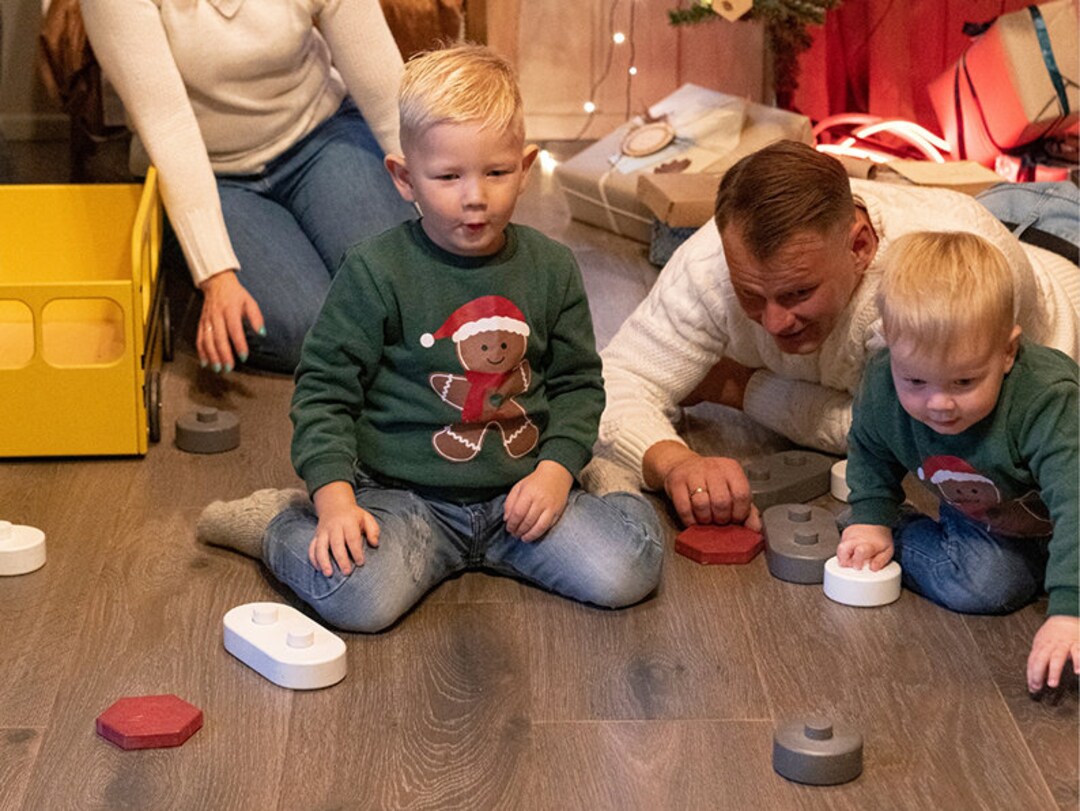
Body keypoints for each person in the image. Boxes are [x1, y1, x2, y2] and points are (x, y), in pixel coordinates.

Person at [196, 44, 663, 632]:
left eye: (497, 173)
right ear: (404, 178)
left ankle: (599, 479)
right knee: (357, 597)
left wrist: (557, 470)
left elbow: (577, 385)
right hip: (405, 501)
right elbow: (324, 393)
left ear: (526, 167)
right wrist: (334, 499)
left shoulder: (552, 267)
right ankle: (275, 523)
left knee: (627, 570)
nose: (475, 196)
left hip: (523, 495)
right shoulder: (374, 270)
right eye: (447, 176)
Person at [595, 140, 1080, 531]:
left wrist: (740, 387)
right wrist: (673, 462)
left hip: (1063, 238)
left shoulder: (929, 294)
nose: (774, 322)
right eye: (751, 295)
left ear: (860, 247)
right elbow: (608, 384)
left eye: (798, 292)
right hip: (996, 203)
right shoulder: (710, 265)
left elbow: (903, 430)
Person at [80, 0, 417, 373]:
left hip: (321, 134)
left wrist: (429, 186)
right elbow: (167, 124)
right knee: (305, 333)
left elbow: (383, 87)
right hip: (212, 175)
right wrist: (215, 272)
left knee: (399, 289)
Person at [835, 232, 1078, 693]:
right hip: (988, 523)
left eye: (964, 382)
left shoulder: (1048, 400)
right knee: (989, 583)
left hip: (1065, 513)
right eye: (916, 381)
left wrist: (1070, 611)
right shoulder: (883, 385)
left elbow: (1076, 502)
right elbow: (870, 449)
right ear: (890, 348)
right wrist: (870, 518)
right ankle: (889, 532)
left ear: (1007, 352)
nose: (939, 404)